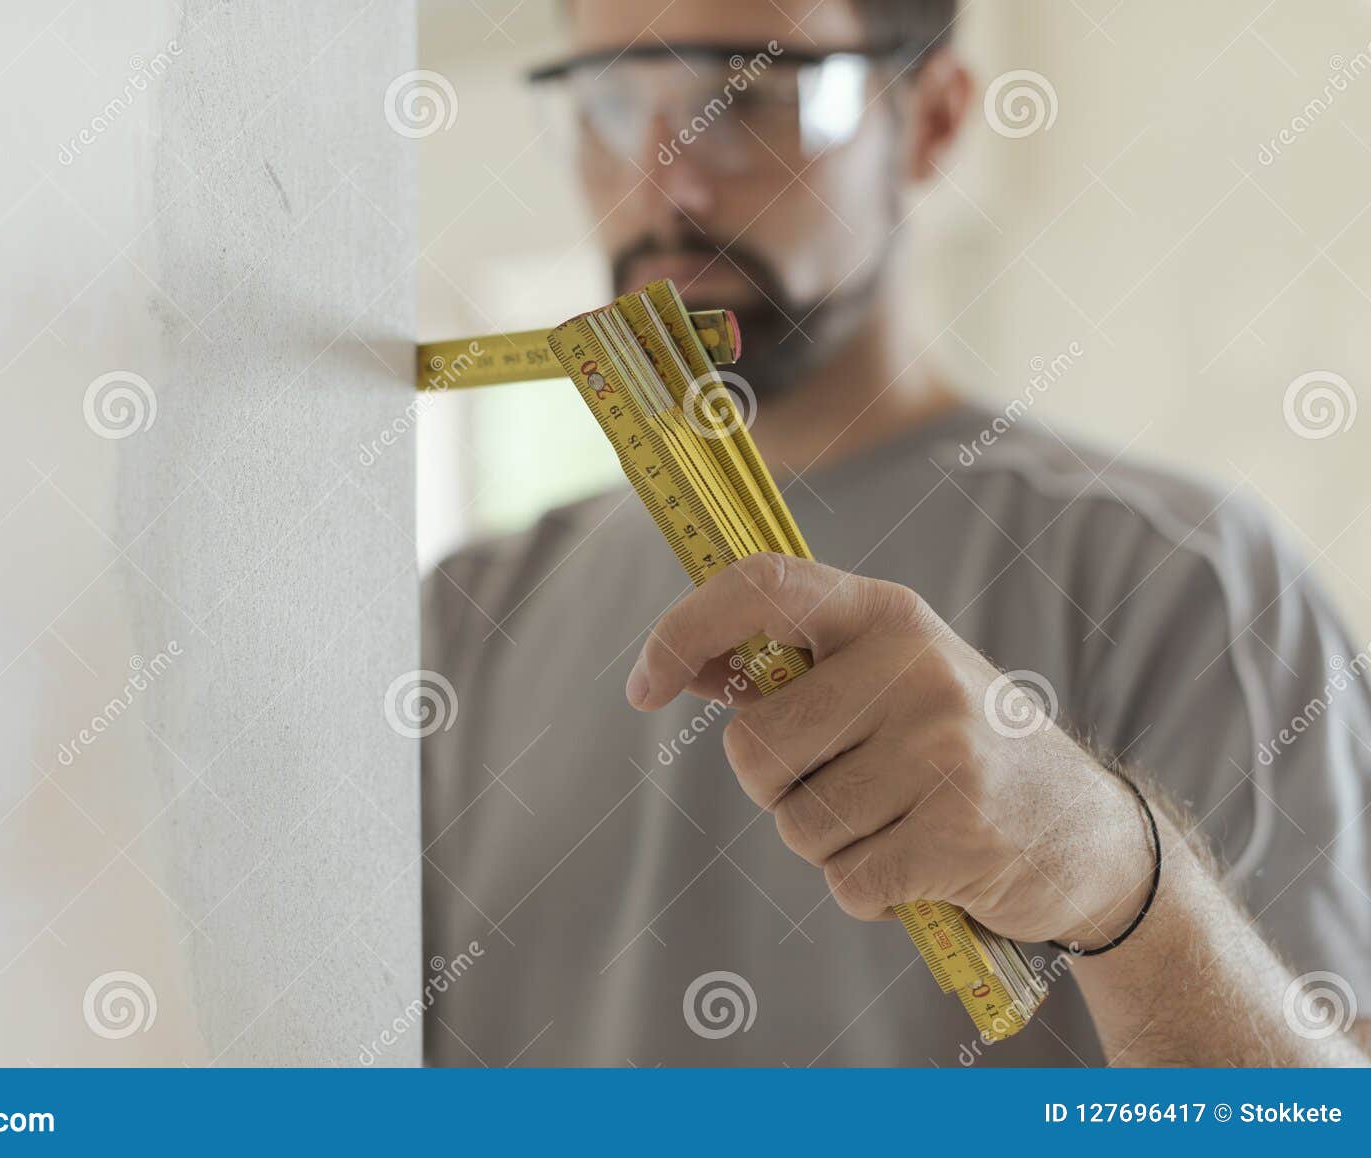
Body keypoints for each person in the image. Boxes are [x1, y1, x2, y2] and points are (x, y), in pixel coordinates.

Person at [421, 0, 1371, 1066]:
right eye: (604, 100)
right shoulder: (462, 615)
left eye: (747, 96)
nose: (667, 182)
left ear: (932, 121)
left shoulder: (1188, 583)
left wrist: (1118, 880)